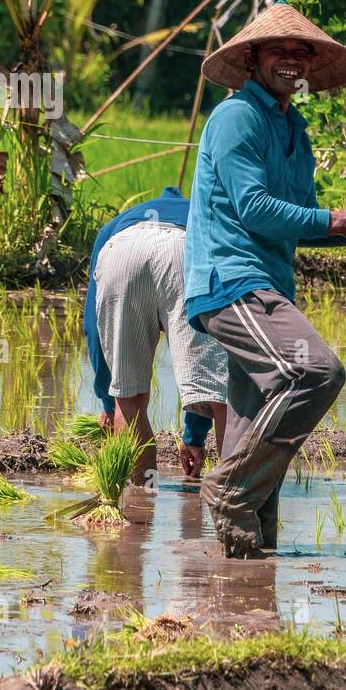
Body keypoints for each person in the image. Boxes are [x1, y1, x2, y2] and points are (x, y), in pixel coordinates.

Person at [185, 2, 346, 558]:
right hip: (233, 283)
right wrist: (336, 219)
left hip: (269, 284)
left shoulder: (293, 128)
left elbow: (297, 218)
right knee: (314, 372)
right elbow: (254, 210)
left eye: (302, 52)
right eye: (279, 49)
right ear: (252, 57)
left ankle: (243, 573)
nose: (292, 60)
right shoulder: (237, 118)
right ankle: (231, 490)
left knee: (252, 420)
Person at [84, 186, 229, 483]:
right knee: (219, 395)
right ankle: (236, 501)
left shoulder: (117, 224)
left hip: (122, 252)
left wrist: (109, 402)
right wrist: (195, 436)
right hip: (186, 249)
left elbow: (92, 326)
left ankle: (140, 506)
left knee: (131, 398)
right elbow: (208, 369)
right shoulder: (207, 215)